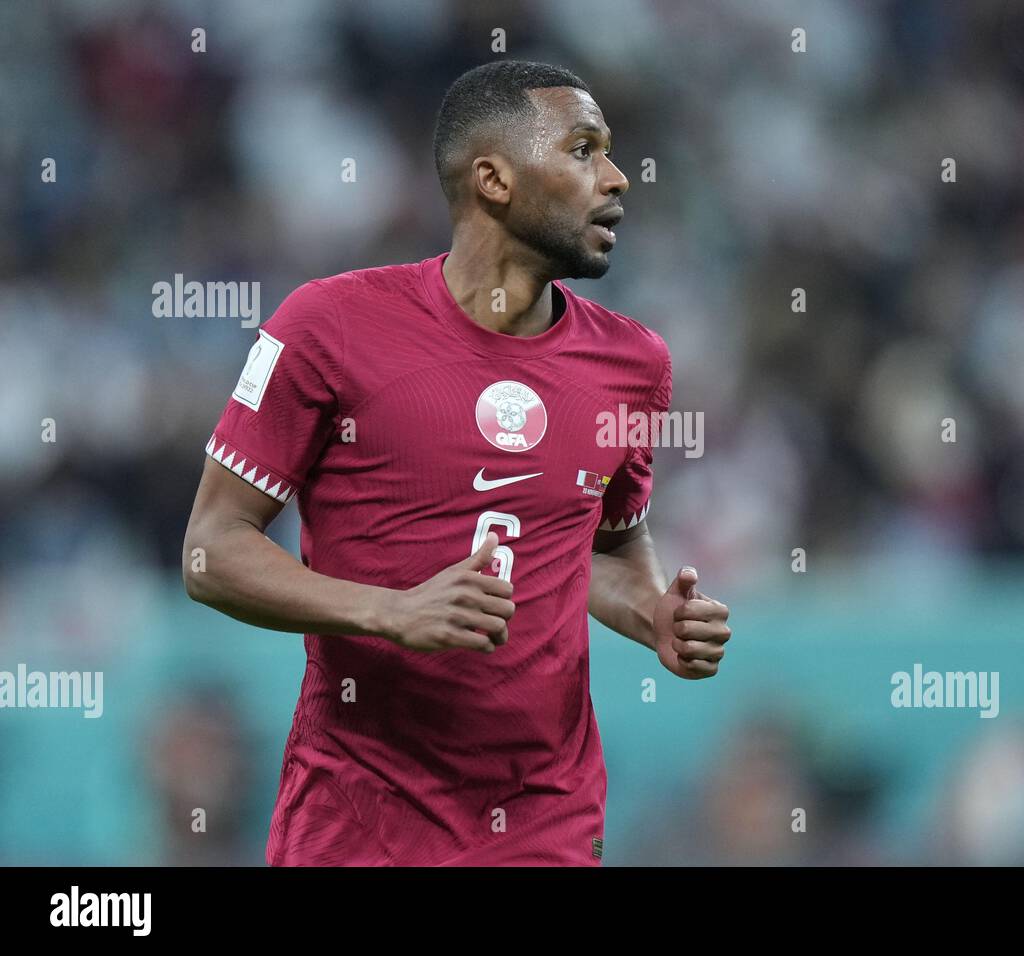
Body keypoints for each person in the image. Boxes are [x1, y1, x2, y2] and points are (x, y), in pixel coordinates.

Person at [181, 60, 731, 866]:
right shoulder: (327, 328)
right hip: (357, 818)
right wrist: (389, 611)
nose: (616, 178)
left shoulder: (634, 365)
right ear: (493, 181)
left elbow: (605, 547)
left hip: (544, 818)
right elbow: (210, 552)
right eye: (584, 149)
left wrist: (653, 615)